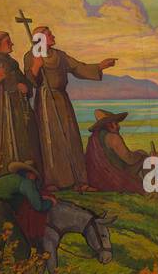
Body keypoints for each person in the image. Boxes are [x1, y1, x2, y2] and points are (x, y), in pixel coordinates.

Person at [25, 26, 116, 192]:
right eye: (49, 34)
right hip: (45, 101)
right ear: (41, 39)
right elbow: (29, 81)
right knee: (50, 141)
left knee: (71, 137)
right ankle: (53, 182)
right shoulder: (31, 56)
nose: (53, 36)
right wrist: (36, 67)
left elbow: (77, 68)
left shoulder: (59, 55)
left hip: (62, 99)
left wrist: (100, 67)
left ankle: (79, 181)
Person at [0, 31, 42, 175]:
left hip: (17, 110)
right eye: (8, 41)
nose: (12, 44)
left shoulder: (12, 62)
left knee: (22, 141)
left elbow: (24, 83)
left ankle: (23, 176)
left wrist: (27, 82)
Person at [0, 159, 55, 249]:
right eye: (34, 176)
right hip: (0, 209)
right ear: (30, 174)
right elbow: (38, 206)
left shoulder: (10, 178)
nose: (35, 178)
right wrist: (51, 202)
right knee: (20, 245)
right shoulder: (26, 182)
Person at [84, 109, 148, 193]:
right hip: (113, 178)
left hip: (98, 180)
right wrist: (140, 154)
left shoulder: (95, 137)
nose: (118, 126)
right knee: (148, 159)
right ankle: (152, 189)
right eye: (116, 123)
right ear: (109, 124)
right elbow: (129, 159)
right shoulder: (113, 137)